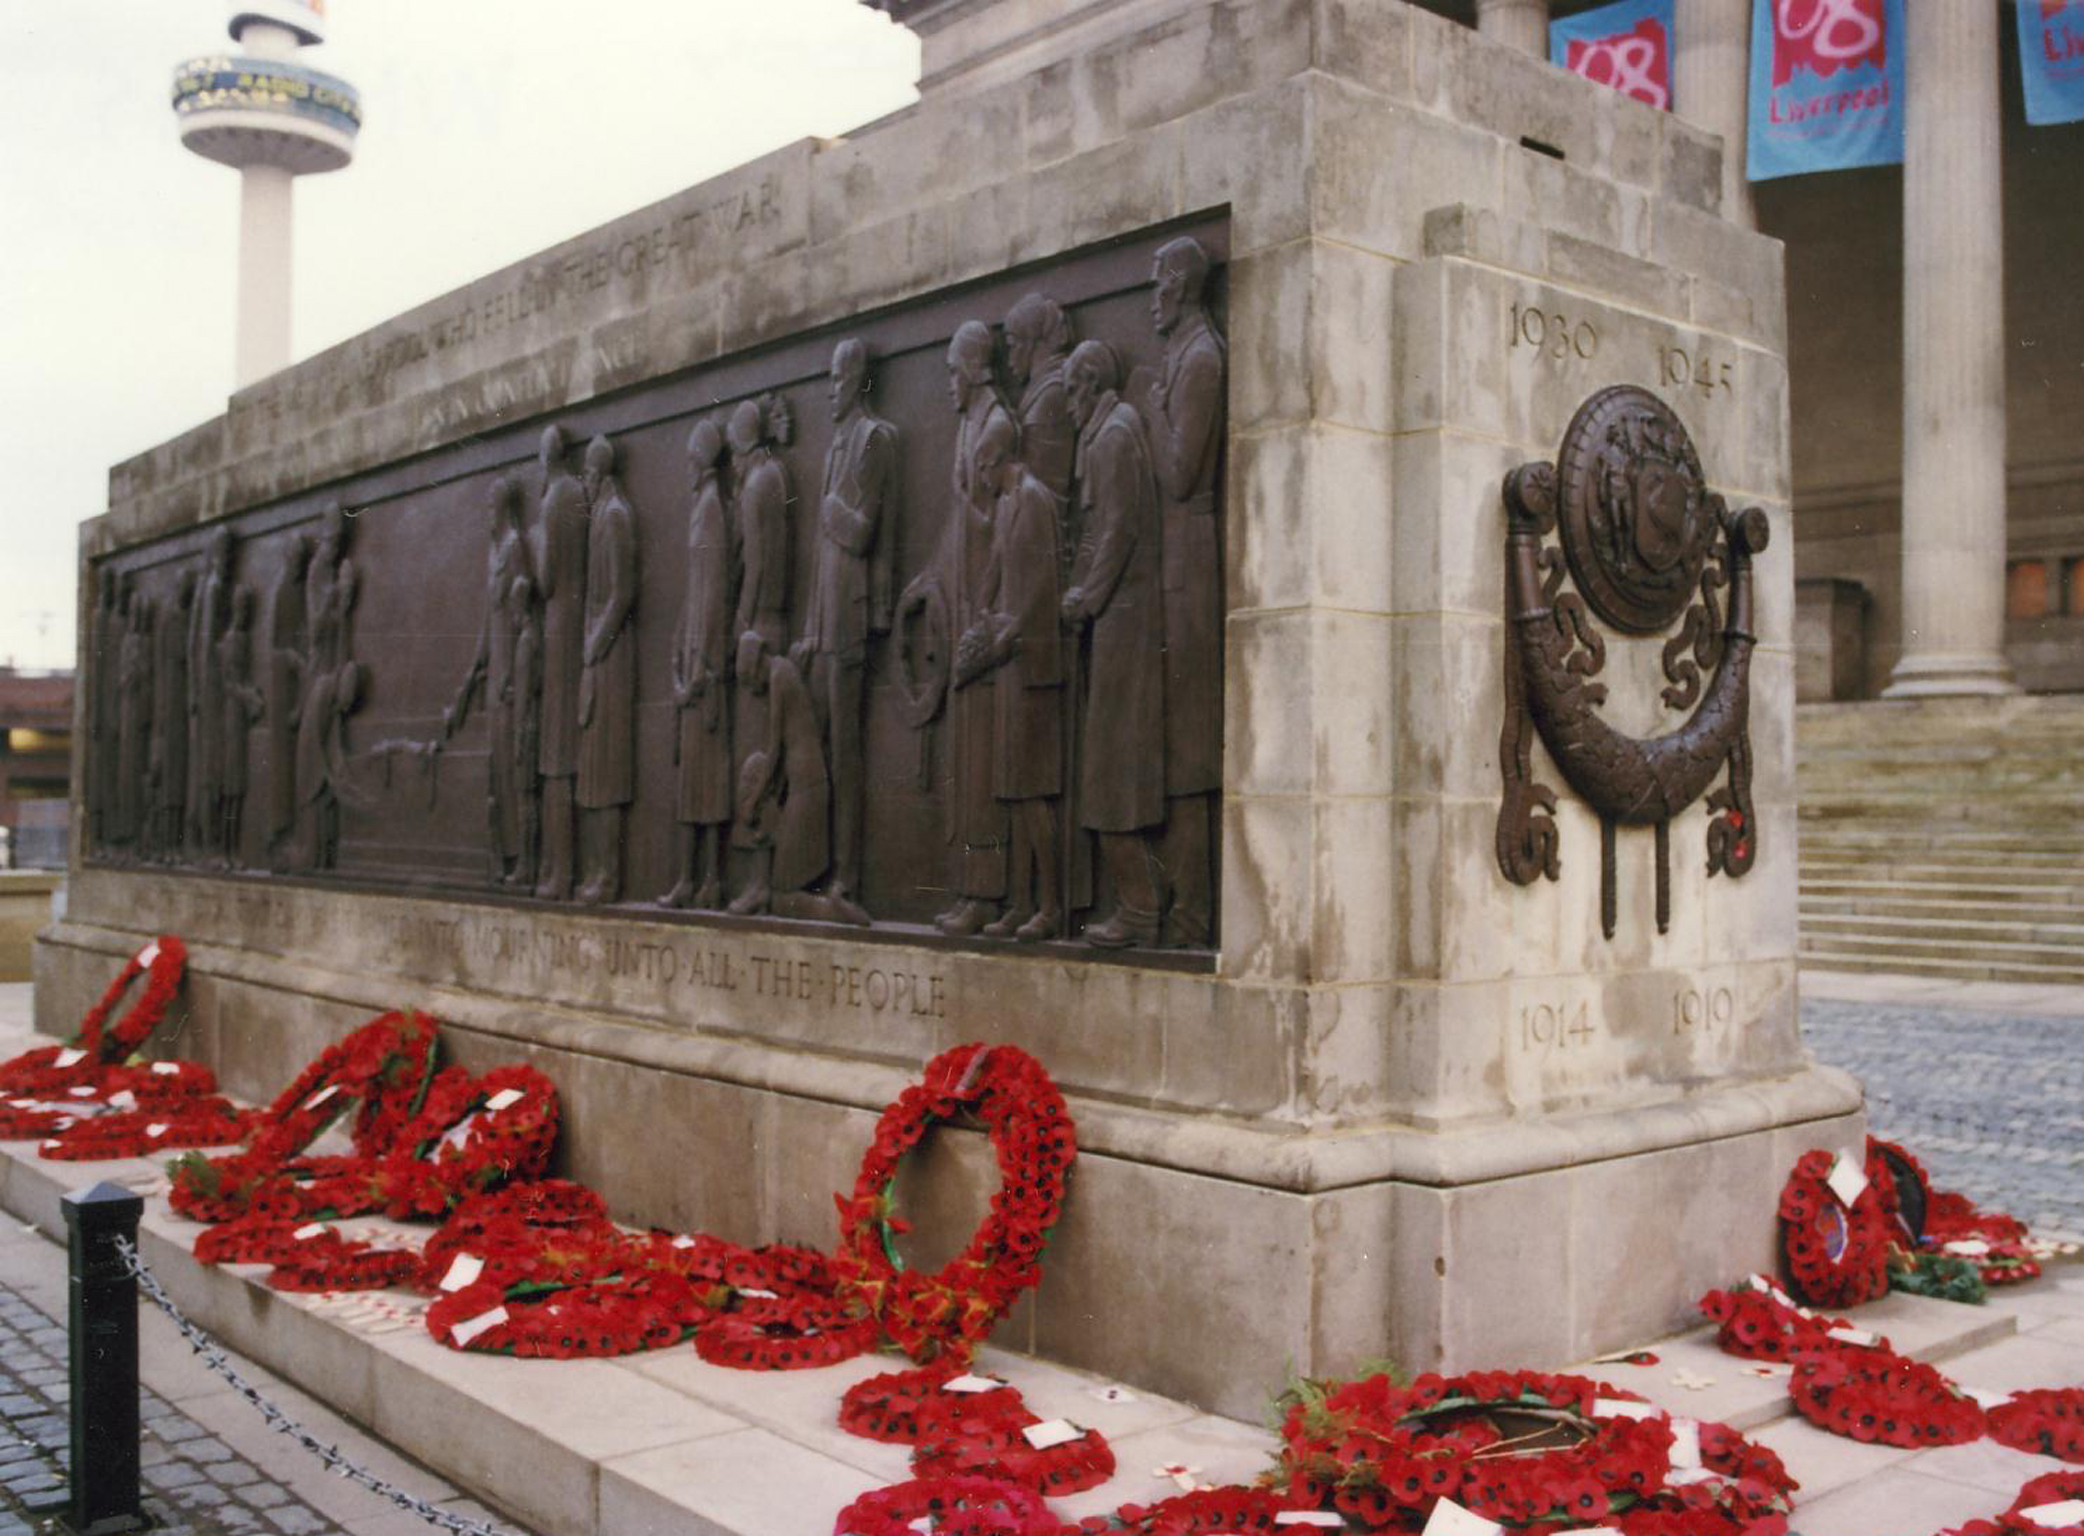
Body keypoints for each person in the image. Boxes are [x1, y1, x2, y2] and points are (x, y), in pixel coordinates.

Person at [1061, 339, 1166, 948]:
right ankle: (1138, 901)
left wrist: (1088, 598)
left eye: (1072, 390)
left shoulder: (1113, 436)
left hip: (1125, 622)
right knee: (1108, 762)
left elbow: (1118, 529)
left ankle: (1141, 907)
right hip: (1116, 618)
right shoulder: (1106, 433)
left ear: (1092, 385)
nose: (1067, 405)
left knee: (1113, 765)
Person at [794, 338, 899, 927]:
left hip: (852, 618)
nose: (830, 390)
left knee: (846, 754)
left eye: (837, 379)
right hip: (826, 621)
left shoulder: (872, 440)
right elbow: (821, 552)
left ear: (858, 380)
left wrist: (830, 508)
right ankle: (816, 867)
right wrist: (810, 627)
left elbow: (859, 532)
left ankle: (849, 879)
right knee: (820, 754)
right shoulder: (836, 443)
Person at [1144, 234, 1227, 948]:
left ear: (1182, 285)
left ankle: (1193, 911)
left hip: (1189, 563)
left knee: (1190, 746)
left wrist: (1151, 410)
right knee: (1170, 740)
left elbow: (1178, 472)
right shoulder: (1179, 355)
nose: (1151, 298)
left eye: (1158, 284)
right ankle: (1176, 900)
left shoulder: (1201, 359)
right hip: (1166, 563)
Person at [955, 423, 1065, 940]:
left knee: (1033, 792)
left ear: (1001, 458)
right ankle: (1021, 904)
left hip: (1033, 665)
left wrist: (1011, 630)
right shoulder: (1004, 506)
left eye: (984, 466)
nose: (981, 476)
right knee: (1012, 791)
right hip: (1009, 664)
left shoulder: (1036, 500)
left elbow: (1045, 581)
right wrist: (982, 609)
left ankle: (1052, 905)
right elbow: (999, 562)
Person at [931, 320, 1014, 936]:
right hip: (962, 601)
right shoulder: (968, 425)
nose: (948, 383)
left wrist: (984, 614)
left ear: (973, 367)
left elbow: (995, 527)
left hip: (986, 612)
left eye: (952, 370)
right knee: (967, 758)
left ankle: (987, 893)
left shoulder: (998, 426)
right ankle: (968, 888)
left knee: (984, 758)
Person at [662, 419, 737, 910]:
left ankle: (708, 879)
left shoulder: (710, 508)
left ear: (703, 463)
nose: (687, 469)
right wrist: (677, 645)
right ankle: (691, 878)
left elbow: (712, 593)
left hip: (704, 669)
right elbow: (696, 590)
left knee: (707, 780)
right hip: (693, 656)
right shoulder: (704, 506)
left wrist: (703, 668)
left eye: (691, 460)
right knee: (693, 779)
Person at [443, 477, 532, 887]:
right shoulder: (493, 550)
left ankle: (521, 859)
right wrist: (474, 671)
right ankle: (503, 856)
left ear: (504, 508)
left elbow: (520, 615)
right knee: (497, 768)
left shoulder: (515, 547)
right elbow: (487, 620)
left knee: (513, 768)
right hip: (494, 674)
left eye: (491, 507)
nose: (486, 515)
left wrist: (512, 676)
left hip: (511, 679)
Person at [575, 434, 638, 904]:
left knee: (608, 770)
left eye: (588, 475)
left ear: (600, 474)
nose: (585, 482)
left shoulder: (615, 515)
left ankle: (610, 876)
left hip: (610, 656)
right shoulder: (600, 512)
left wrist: (596, 643)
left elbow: (623, 591)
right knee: (595, 769)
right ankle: (598, 870)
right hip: (597, 654)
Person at [527, 426, 589, 899]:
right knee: (564, 753)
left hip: (557, 626)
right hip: (578, 620)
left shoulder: (552, 500)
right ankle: (560, 868)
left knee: (556, 759)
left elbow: (546, 580)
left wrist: (535, 541)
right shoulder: (580, 492)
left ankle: (561, 871)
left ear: (545, 459)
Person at [215, 586, 265, 867]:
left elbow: (243, 679)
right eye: (243, 608)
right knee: (230, 786)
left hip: (242, 715)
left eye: (248, 609)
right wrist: (248, 696)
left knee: (239, 787)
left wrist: (251, 692)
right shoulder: (231, 639)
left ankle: (234, 847)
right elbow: (228, 684)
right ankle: (225, 849)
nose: (245, 614)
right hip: (231, 716)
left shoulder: (244, 638)